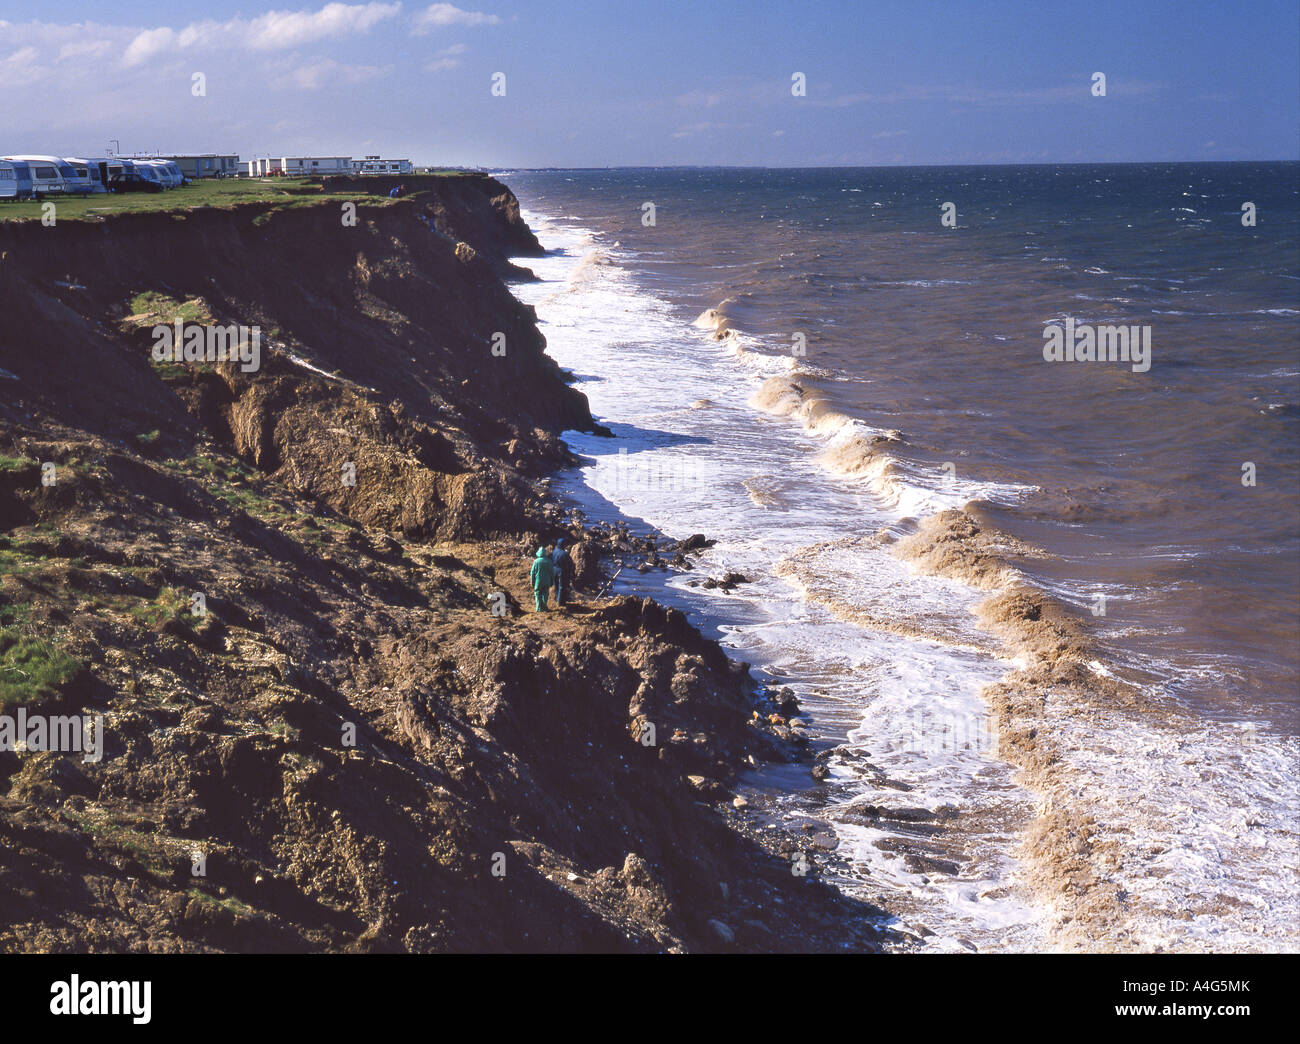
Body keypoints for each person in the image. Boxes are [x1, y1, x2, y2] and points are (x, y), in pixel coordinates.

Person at [529, 547, 555, 611]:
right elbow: (552, 573)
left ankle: (538, 608)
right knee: (545, 594)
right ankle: (544, 607)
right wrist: (552, 582)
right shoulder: (549, 561)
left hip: (538, 581)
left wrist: (532, 582)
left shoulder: (536, 562)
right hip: (547, 581)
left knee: (537, 593)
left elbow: (532, 573)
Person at [552, 539, 573, 606]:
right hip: (562, 571)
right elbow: (570, 564)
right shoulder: (565, 554)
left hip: (554, 569)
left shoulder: (554, 552)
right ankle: (560, 603)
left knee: (556, 585)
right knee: (562, 587)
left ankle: (556, 598)